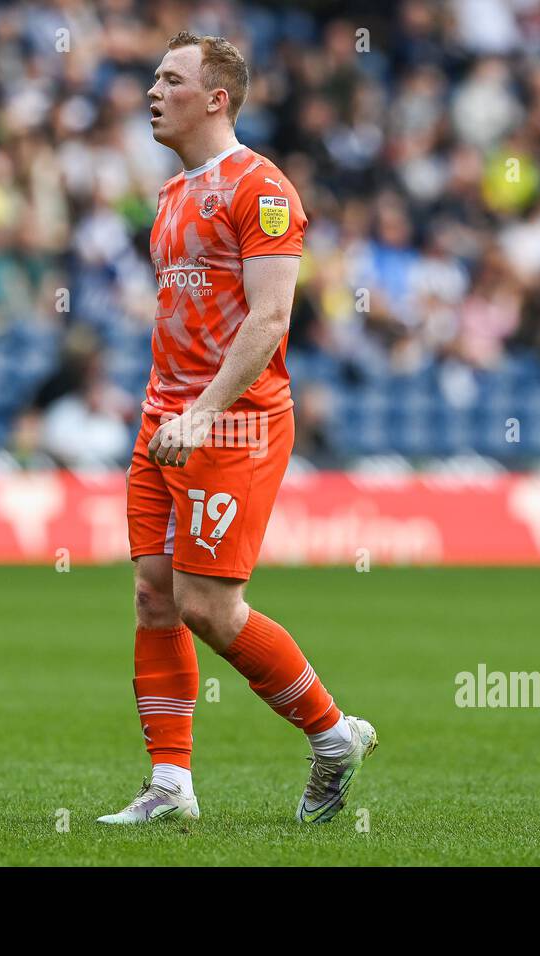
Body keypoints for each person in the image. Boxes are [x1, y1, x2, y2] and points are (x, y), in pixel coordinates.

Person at [97, 32, 377, 826]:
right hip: (165, 419)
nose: (153, 91)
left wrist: (203, 413)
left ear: (216, 98)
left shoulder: (265, 189)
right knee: (154, 596)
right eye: (153, 78)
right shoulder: (170, 194)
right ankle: (170, 785)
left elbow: (270, 318)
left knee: (209, 608)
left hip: (235, 426)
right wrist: (168, 408)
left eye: (170, 79)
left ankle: (332, 736)